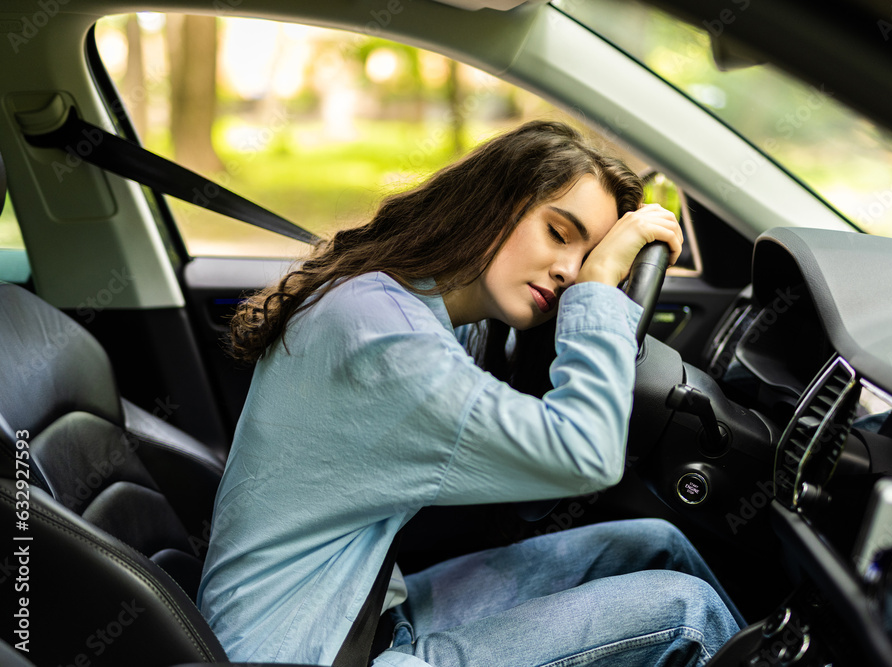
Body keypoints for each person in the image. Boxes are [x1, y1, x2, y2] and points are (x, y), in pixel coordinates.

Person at [197, 120, 743, 666]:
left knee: (655, 544)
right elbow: (585, 456)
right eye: (558, 233)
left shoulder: (426, 308)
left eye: (586, 259)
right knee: (685, 615)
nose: (566, 272)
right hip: (308, 651)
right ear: (492, 206)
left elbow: (533, 493)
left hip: (367, 613)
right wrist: (598, 293)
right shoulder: (382, 336)